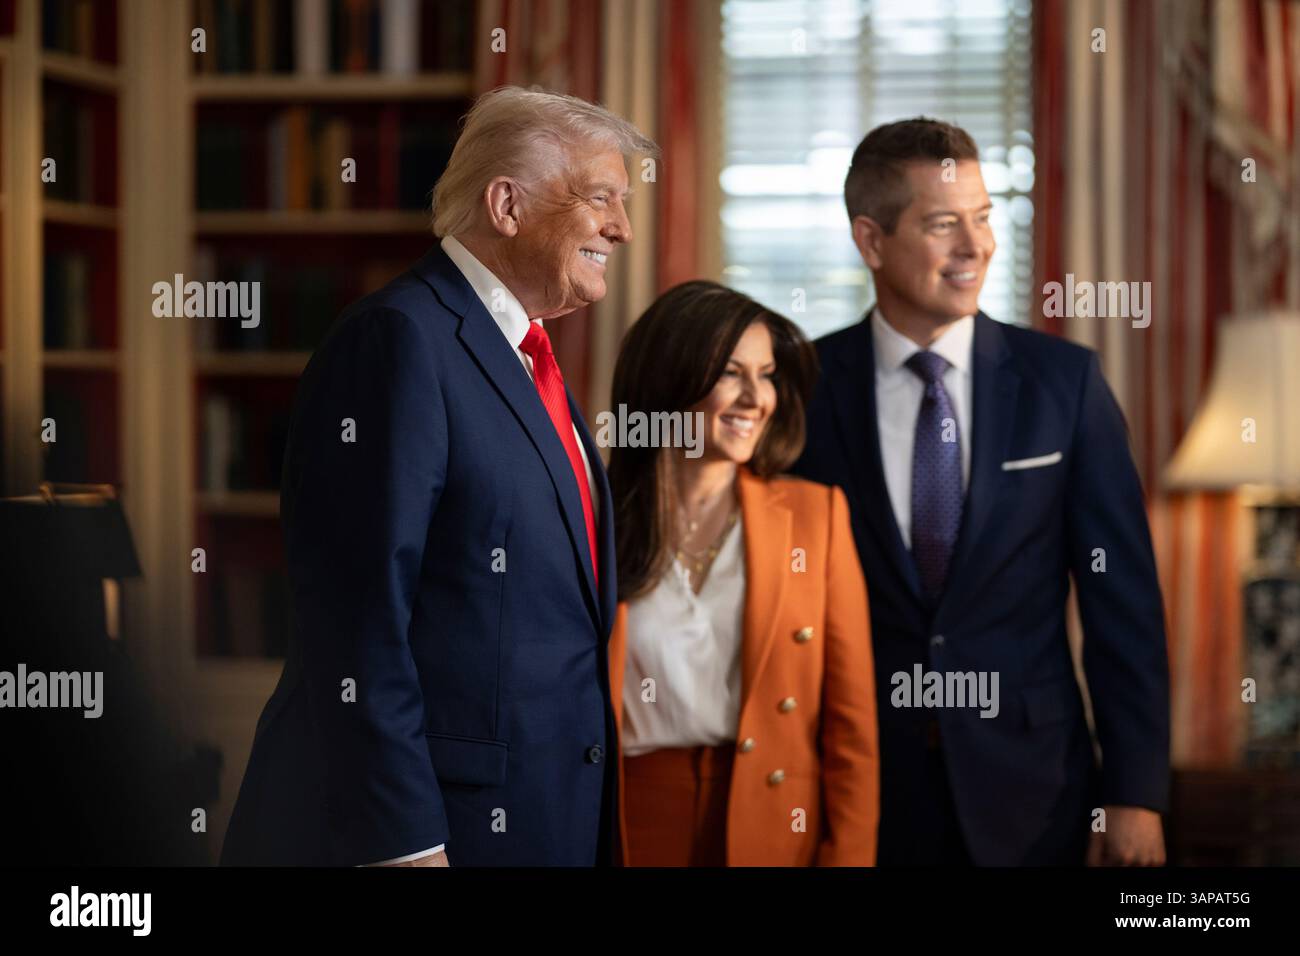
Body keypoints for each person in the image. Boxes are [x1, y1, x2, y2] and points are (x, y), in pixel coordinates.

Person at [221, 87, 656, 867]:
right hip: (432, 835)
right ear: (506, 204)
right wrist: (407, 845)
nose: (622, 228)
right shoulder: (398, 340)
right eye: (602, 199)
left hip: (542, 818)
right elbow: (356, 618)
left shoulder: (528, 360)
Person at [793, 118, 1170, 866]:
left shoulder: (1065, 386)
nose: (977, 247)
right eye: (943, 224)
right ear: (871, 241)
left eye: (984, 218)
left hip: (1036, 794)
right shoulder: (802, 389)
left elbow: (1122, 606)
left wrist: (1136, 795)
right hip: (858, 791)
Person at [606, 281, 879, 866]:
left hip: (772, 828)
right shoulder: (591, 516)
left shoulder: (816, 516)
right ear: (667, 380)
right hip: (627, 826)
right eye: (731, 373)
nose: (757, 397)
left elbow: (851, 731)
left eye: (767, 374)